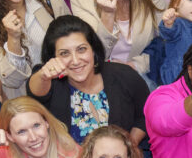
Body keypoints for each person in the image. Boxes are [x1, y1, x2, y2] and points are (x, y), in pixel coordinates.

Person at [26, 16, 148, 146]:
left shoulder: (123, 75)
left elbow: (145, 115)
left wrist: (127, 147)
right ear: (53, 58)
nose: (76, 60)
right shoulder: (50, 82)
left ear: (93, 50)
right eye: (64, 53)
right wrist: (44, 75)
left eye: (81, 49)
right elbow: (34, 91)